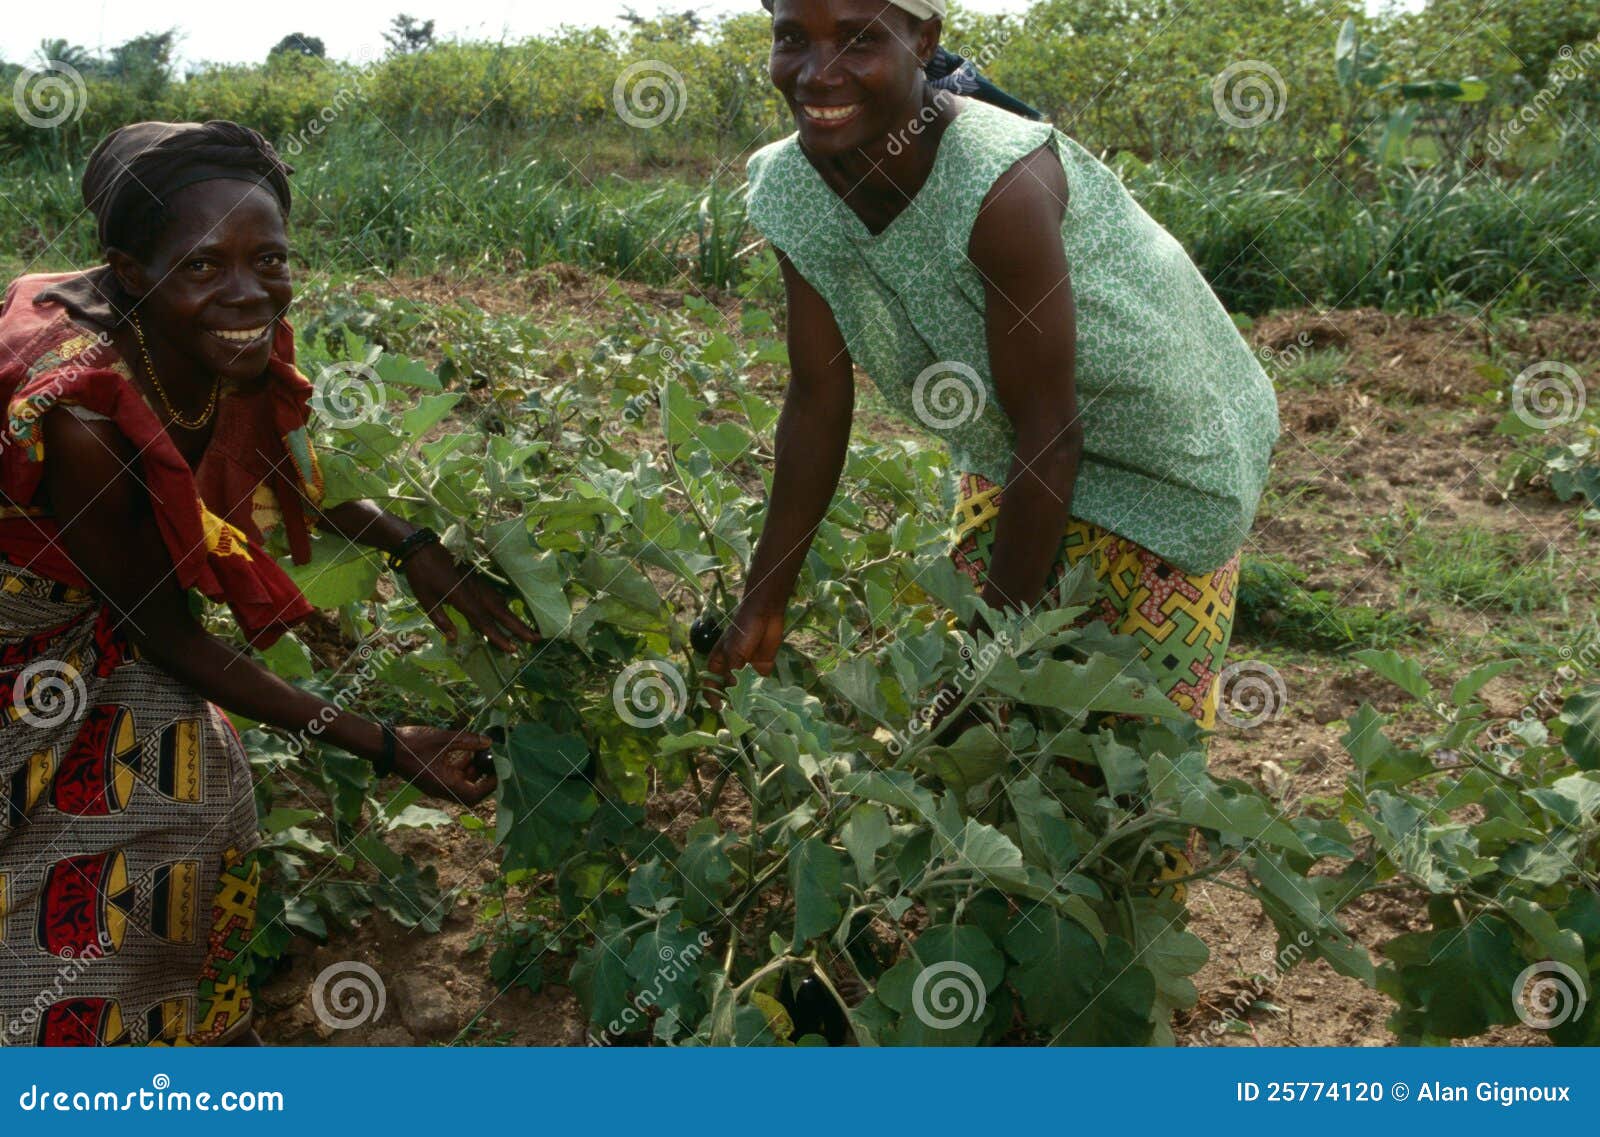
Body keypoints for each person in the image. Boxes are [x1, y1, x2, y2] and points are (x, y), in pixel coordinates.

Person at [0, 120, 537, 1047]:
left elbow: (262, 465)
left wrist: (411, 545)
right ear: (131, 272)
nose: (248, 292)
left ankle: (181, 1031)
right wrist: (382, 742)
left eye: (271, 260)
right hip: (29, 631)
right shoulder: (84, 419)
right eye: (204, 266)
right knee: (117, 827)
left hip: (109, 610)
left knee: (191, 804)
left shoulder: (221, 333)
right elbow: (171, 634)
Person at [709, 0, 1279, 729]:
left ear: (923, 41)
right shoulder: (792, 185)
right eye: (792, 38)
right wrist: (764, 596)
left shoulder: (998, 180)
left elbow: (1053, 430)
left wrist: (982, 674)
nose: (818, 74)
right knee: (992, 770)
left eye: (858, 40)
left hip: (1164, 458)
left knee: (1129, 777)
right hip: (1015, 452)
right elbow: (818, 396)